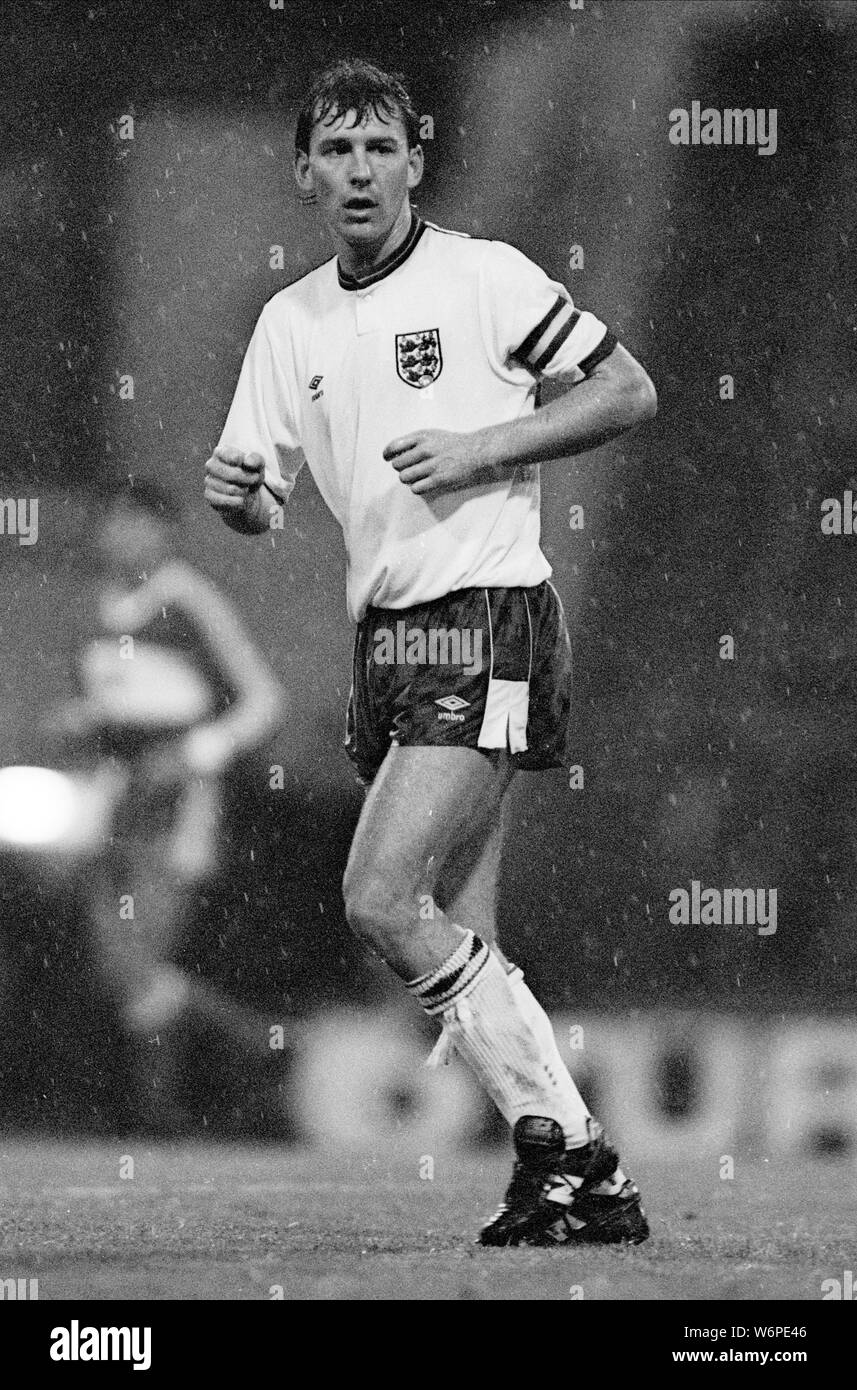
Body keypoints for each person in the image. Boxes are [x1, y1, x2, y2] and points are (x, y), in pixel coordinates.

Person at [205, 58, 657, 1245]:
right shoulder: (288, 320)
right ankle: (568, 1177)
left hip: (489, 616)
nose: (358, 169)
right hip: (390, 642)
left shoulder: (481, 276)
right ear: (304, 171)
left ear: (415, 160)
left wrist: (483, 447)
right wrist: (239, 500)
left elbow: (626, 389)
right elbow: (264, 498)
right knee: (463, 937)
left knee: (379, 897)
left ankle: (582, 1153)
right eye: (335, 151)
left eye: (379, 148)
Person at [50, 482, 285, 1130]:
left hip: (177, 799)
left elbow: (264, 700)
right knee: (113, 962)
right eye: (111, 523)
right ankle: (245, 1039)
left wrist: (195, 752)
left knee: (139, 956)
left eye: (134, 524)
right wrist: (79, 721)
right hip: (112, 795)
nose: (118, 536)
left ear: (163, 532)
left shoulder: (187, 600)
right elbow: (111, 701)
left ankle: (162, 1108)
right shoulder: (95, 607)